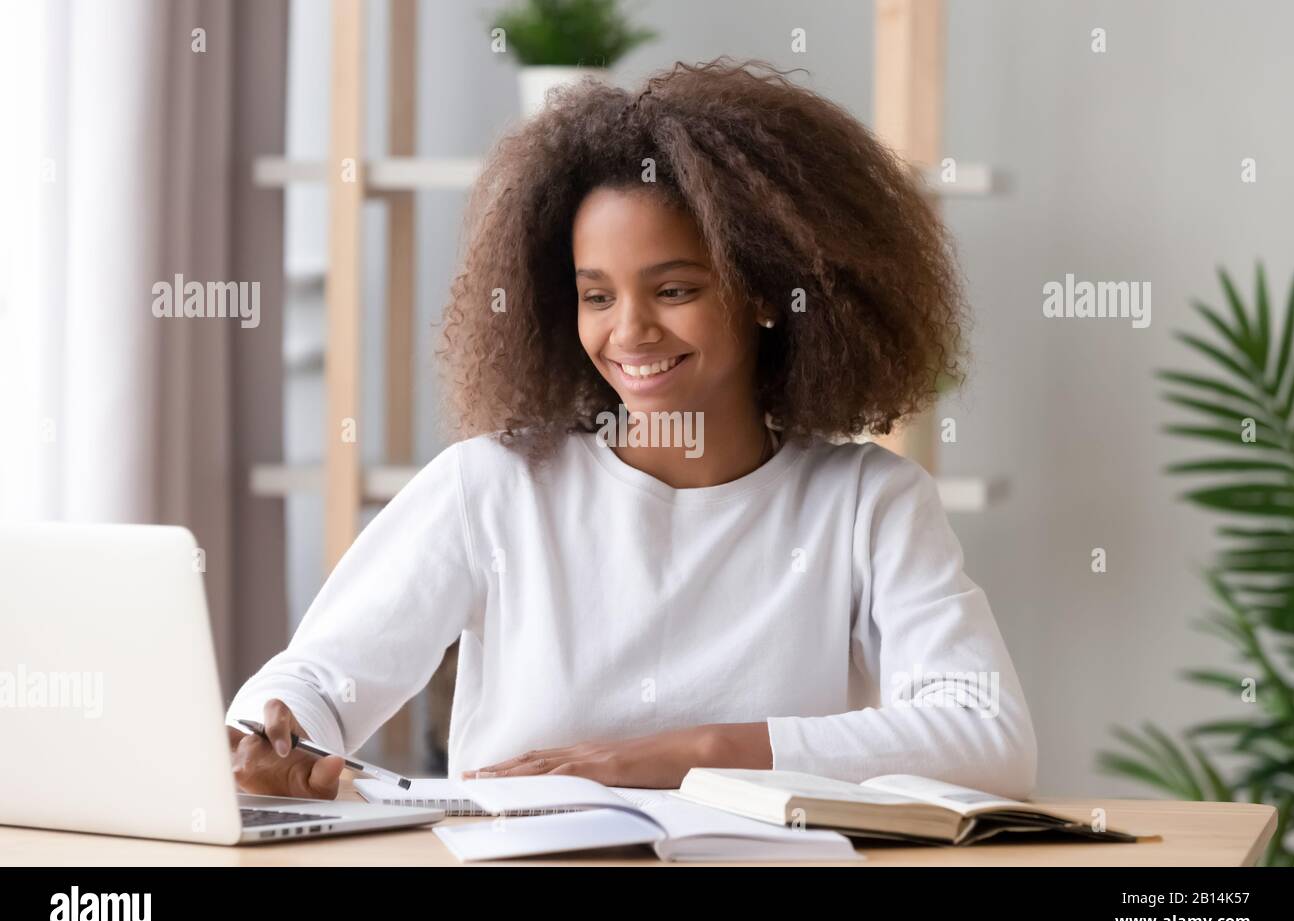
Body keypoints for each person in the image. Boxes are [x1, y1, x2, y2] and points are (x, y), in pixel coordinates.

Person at [227, 58, 1037, 801]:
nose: (631, 332)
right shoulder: (494, 485)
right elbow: (315, 684)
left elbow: (988, 737)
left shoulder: (867, 503)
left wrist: (688, 752)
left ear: (766, 293)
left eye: (674, 289)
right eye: (598, 295)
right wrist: (270, 737)